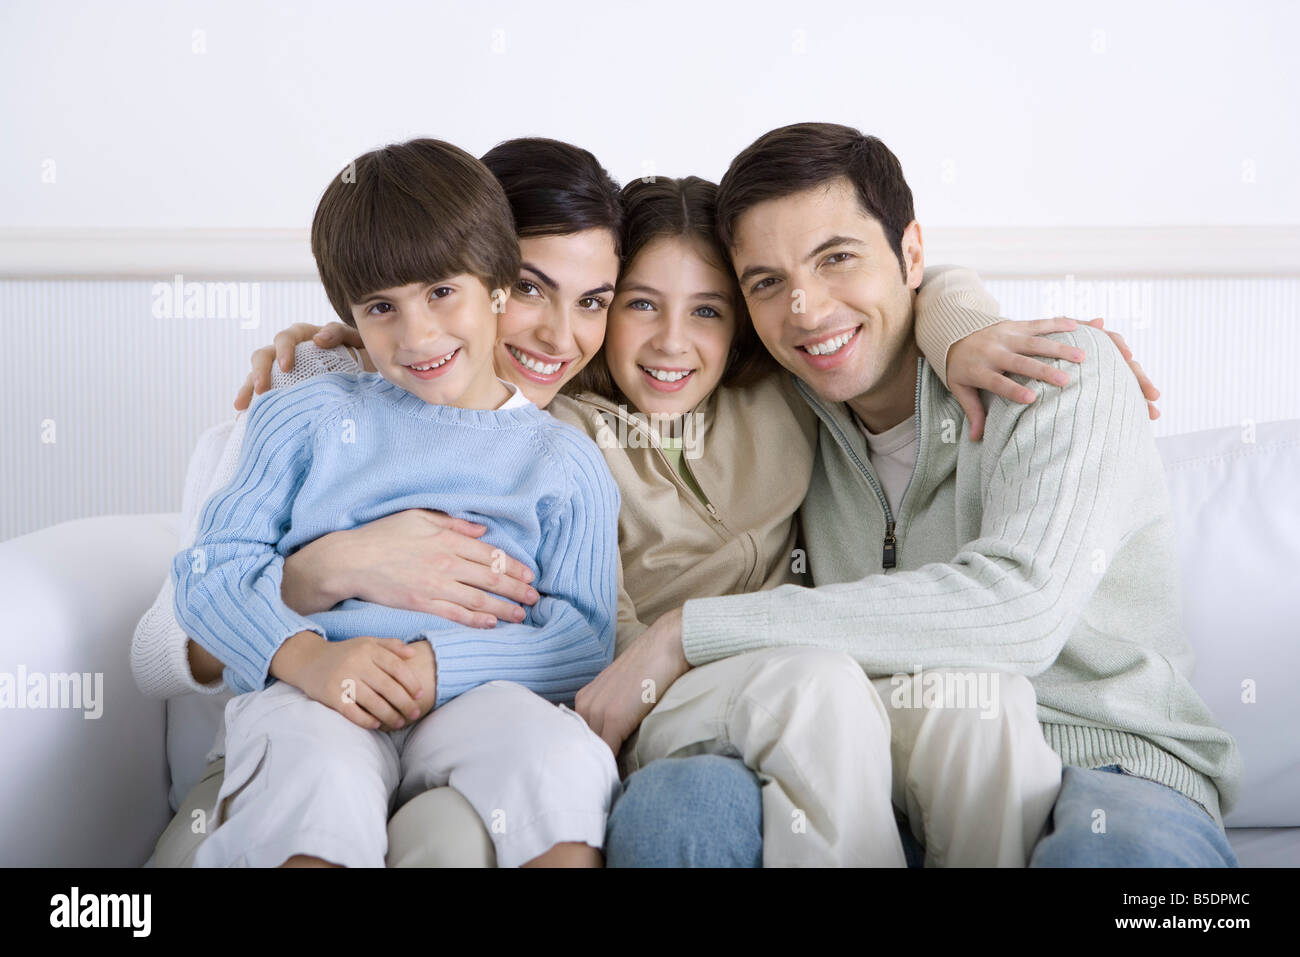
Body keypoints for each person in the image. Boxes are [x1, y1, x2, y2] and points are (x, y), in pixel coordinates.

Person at [136, 135, 1162, 866]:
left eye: (592, 300)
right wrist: (319, 576)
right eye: (533, 289)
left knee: (898, 704)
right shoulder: (325, 401)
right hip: (321, 717)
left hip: (541, 711)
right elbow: (161, 634)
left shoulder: (755, 391)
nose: (557, 333)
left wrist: (957, 326)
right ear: (481, 276)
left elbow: (853, 305)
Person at [576, 122, 1243, 867]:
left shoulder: (1061, 377)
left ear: (912, 254)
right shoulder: (792, 407)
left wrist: (686, 631)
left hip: (1109, 766)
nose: (805, 306)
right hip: (876, 760)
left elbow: (1018, 612)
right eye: (767, 282)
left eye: (837, 259)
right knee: (680, 816)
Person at [545, 174, 1064, 866]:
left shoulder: (782, 396)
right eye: (642, 304)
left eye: (706, 311)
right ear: (603, 306)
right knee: (814, 685)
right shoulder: (562, 433)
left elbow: (908, 286)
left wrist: (961, 330)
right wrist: (347, 347)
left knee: (984, 703)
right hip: (659, 700)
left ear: (739, 325)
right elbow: (444, 348)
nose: (672, 342)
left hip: (820, 694)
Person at [171, 137, 622, 868]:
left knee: (559, 762)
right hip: (320, 691)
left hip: (479, 695)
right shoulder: (304, 413)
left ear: (496, 287)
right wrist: (306, 656)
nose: (416, 335)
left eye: (443, 292)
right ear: (348, 311)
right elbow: (208, 573)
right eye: (382, 307)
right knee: (312, 780)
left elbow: (580, 635)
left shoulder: (564, 459)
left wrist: (440, 665)